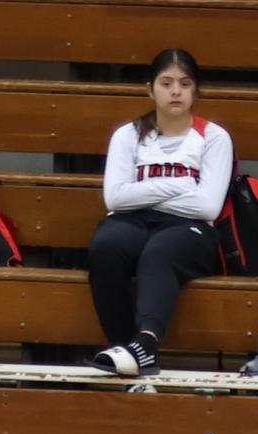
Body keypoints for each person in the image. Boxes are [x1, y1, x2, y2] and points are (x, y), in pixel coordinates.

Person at [88, 48, 234, 379]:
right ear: (150, 89)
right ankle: (123, 348)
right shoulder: (128, 135)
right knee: (106, 247)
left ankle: (146, 344)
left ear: (196, 90)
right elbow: (114, 198)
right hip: (130, 221)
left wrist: (143, 194)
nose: (175, 91)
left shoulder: (214, 137)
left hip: (190, 227)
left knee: (159, 251)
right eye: (166, 83)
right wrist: (180, 185)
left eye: (185, 83)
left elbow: (207, 206)